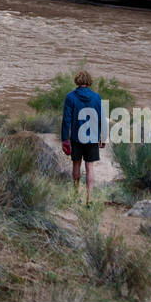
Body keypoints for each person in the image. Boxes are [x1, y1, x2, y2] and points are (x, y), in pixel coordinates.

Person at [60, 69, 106, 207]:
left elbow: (66, 120)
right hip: (92, 137)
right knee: (90, 167)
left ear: (77, 81)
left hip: (76, 137)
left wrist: (64, 139)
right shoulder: (96, 97)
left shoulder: (70, 97)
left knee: (76, 164)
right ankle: (89, 199)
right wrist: (103, 137)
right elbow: (101, 119)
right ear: (89, 81)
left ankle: (75, 194)